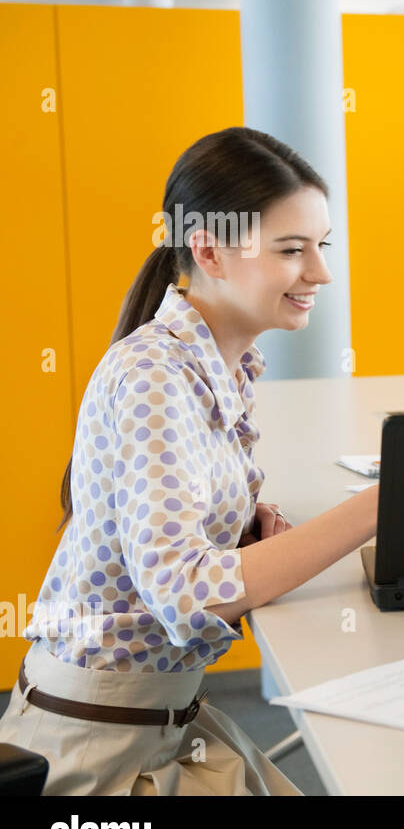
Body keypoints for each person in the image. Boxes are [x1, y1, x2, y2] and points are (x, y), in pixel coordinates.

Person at [0, 127, 380, 794]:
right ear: (209, 249)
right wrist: (383, 503)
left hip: (158, 720)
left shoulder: (218, 364)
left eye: (322, 246)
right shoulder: (155, 374)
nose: (319, 272)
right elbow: (185, 591)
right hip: (100, 747)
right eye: (292, 250)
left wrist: (243, 531)